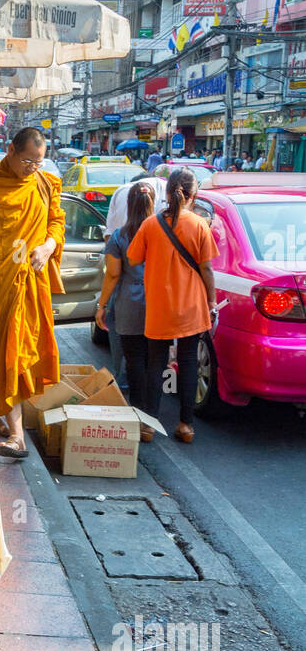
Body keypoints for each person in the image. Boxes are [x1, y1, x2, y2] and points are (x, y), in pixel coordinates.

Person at [0, 126, 65, 460]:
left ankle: (13, 432)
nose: (32, 168)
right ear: (11, 150)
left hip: (27, 283)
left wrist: (48, 246)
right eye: (27, 161)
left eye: (38, 162)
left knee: (15, 354)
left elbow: (56, 223)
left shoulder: (44, 185)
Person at [127, 168, 218, 444]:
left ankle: (148, 427)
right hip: (191, 305)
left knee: (156, 363)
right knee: (189, 362)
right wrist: (212, 300)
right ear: (194, 195)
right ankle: (185, 426)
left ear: (166, 194)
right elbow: (207, 269)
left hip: (160, 306)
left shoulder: (151, 225)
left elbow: (133, 259)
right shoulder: (200, 225)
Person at [96, 181, 154, 436]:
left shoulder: (120, 235)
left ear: (129, 205)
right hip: (159, 302)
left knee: (133, 360)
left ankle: (137, 413)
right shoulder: (162, 233)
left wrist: (102, 305)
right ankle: (152, 416)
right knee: (156, 360)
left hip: (129, 303)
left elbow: (112, 274)